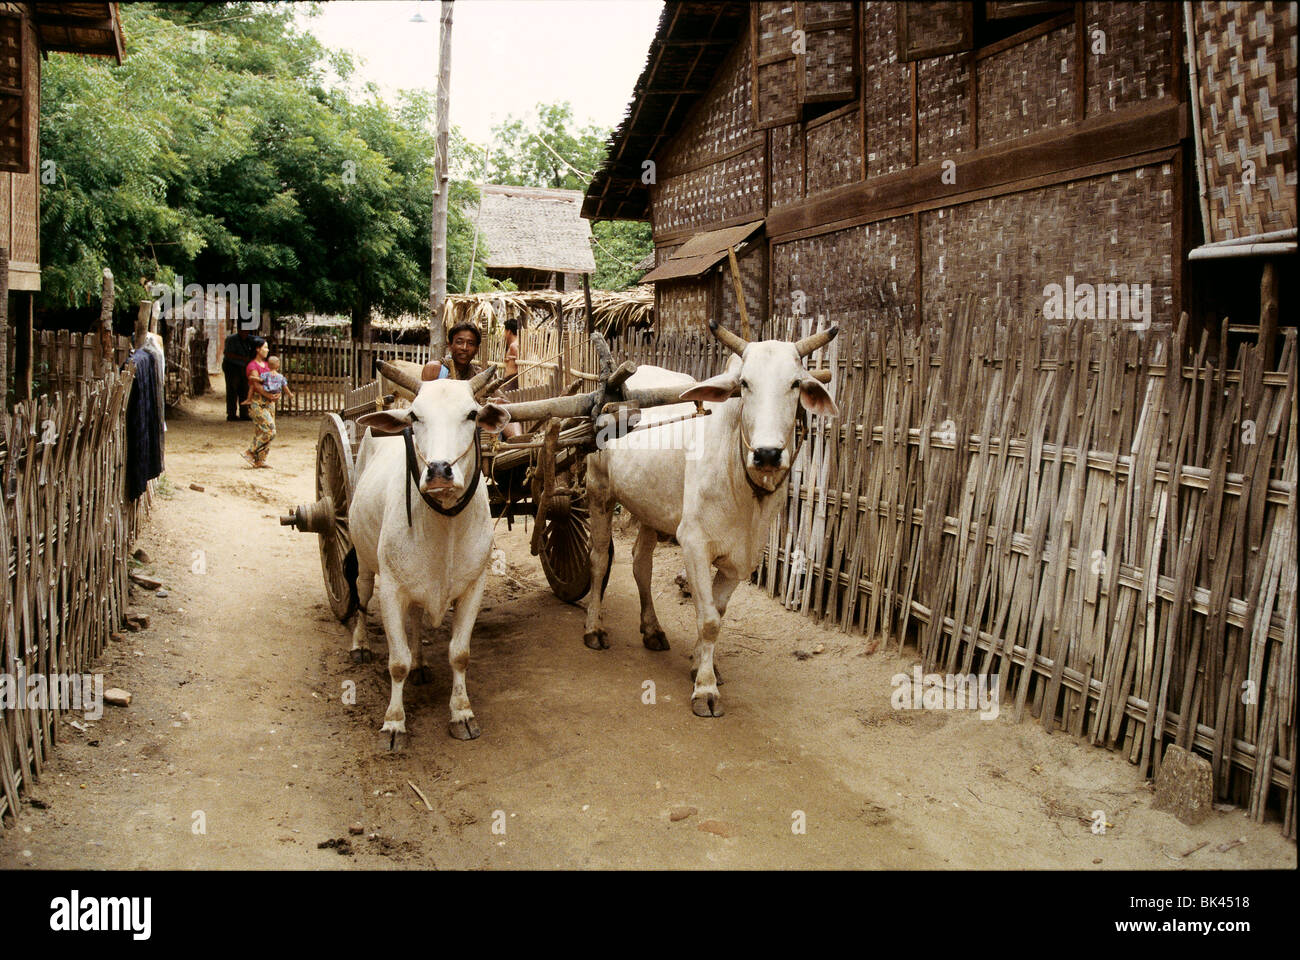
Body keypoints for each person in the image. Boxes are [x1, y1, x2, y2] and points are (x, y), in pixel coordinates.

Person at [241, 338, 278, 468]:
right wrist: (269, 395)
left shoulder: (267, 365)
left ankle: (259, 460)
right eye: (265, 347)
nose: (267, 350)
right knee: (270, 431)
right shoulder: (252, 366)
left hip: (269, 402)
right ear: (257, 349)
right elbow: (256, 386)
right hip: (257, 401)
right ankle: (250, 452)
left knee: (260, 430)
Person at [222, 327, 257, 421]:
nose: (245, 333)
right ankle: (231, 414)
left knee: (245, 389)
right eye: (243, 331)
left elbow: (260, 341)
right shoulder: (231, 339)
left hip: (244, 367)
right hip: (232, 366)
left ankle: (244, 413)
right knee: (232, 389)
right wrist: (243, 358)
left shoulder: (250, 339)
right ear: (239, 331)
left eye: (247, 331)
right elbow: (227, 354)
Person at [501, 317, 520, 391]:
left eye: (505, 331)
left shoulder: (514, 345)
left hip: (512, 379)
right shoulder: (518, 343)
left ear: (509, 331)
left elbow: (521, 358)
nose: (504, 334)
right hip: (512, 379)